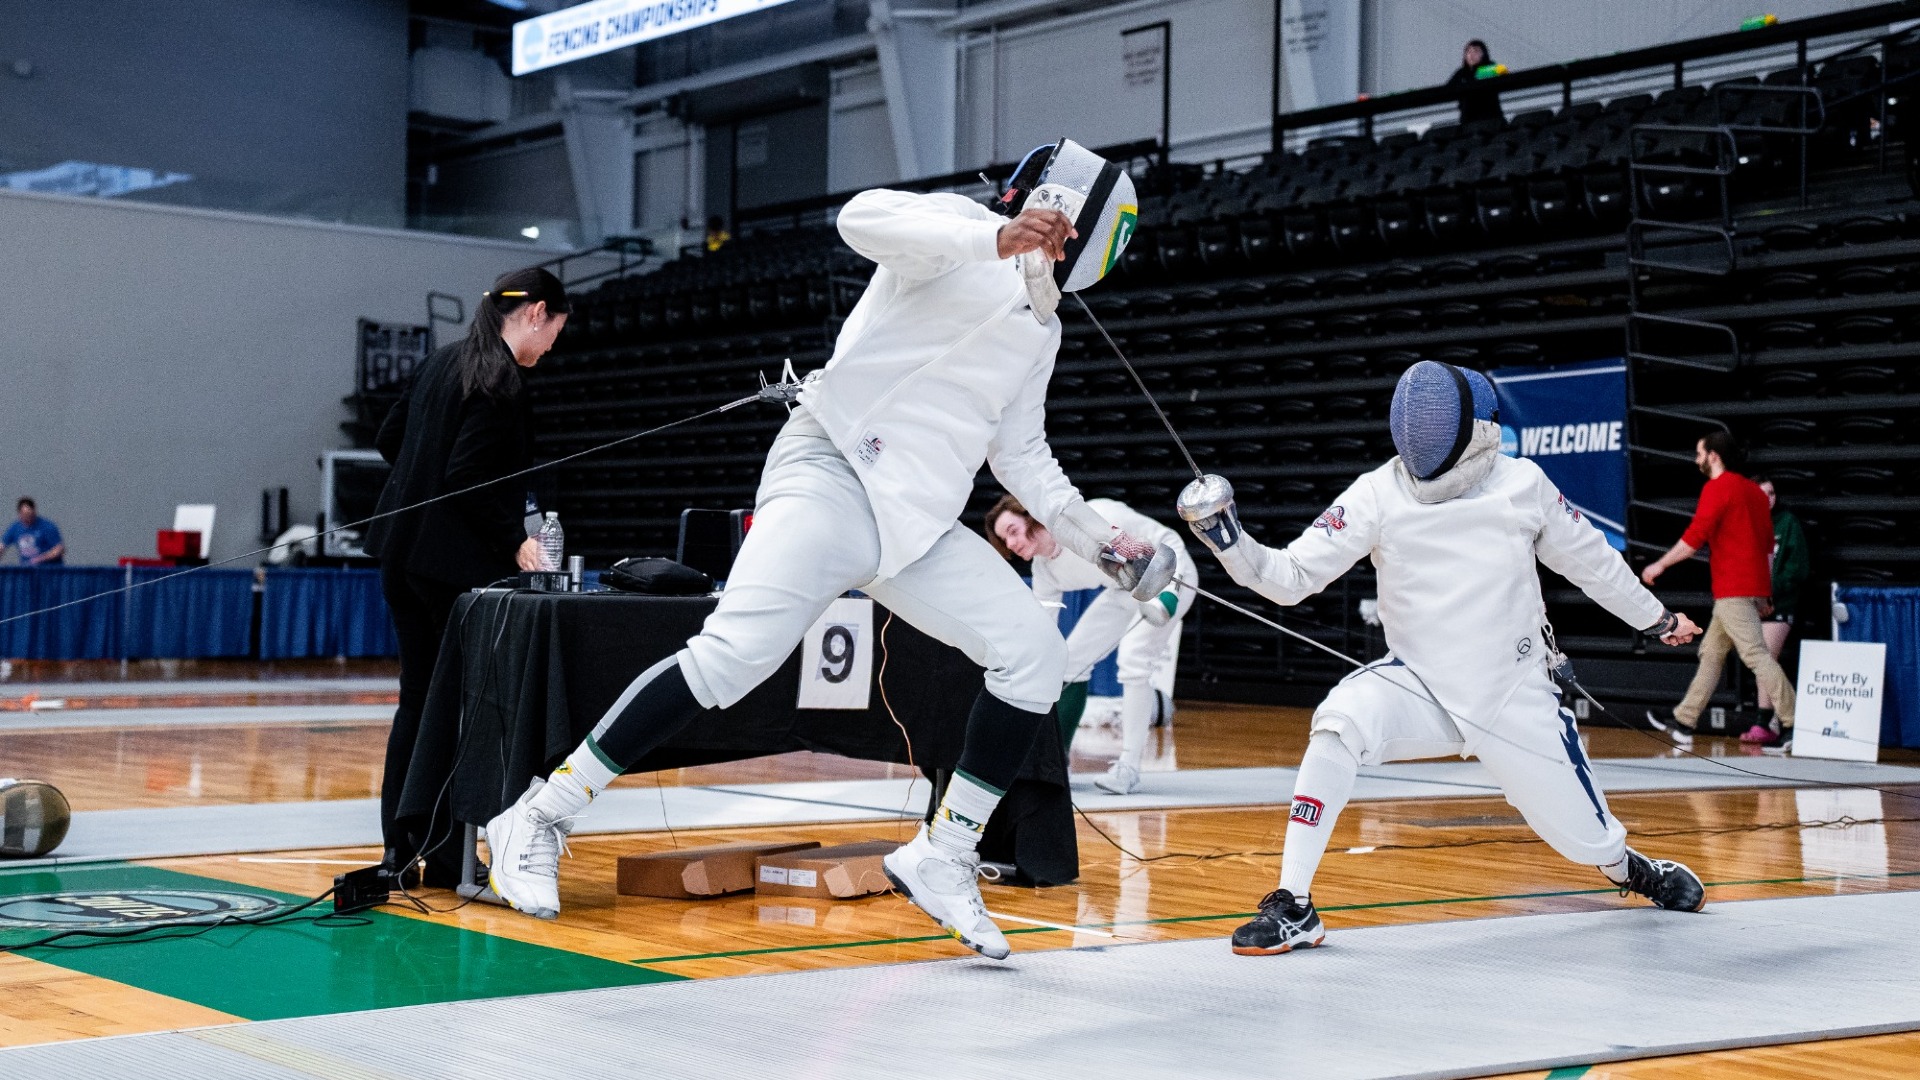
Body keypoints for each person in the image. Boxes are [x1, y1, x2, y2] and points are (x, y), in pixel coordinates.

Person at [483, 139, 1168, 961]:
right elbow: (859, 218)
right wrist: (994, 238)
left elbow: (1024, 460)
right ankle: (540, 812)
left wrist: (1105, 540)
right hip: (833, 469)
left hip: (914, 527)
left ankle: (944, 854)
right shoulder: (954, 227)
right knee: (733, 658)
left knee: (1029, 654)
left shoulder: (1041, 329)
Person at [1180, 361, 1707, 957]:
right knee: (1338, 723)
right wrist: (1229, 543)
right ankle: (1294, 905)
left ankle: (1631, 871)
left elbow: (1595, 566)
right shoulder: (1378, 491)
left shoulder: (1522, 484)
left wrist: (1656, 619)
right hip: (1420, 688)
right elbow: (1291, 576)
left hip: (1510, 696)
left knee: (1590, 842)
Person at [363, 267, 568, 885]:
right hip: (446, 568)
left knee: (417, 701)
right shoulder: (501, 378)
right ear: (534, 313)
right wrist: (516, 542)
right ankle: (447, 852)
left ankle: (401, 850)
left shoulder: (444, 360)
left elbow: (388, 436)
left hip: (399, 555)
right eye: (556, 328)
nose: (554, 343)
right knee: (452, 707)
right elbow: (466, 477)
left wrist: (418, 484)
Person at [984, 493, 1194, 794]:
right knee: (1070, 664)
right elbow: (1043, 632)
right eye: (1006, 541)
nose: (1012, 544)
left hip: (1170, 578)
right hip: (1124, 590)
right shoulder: (1045, 570)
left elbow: (1168, 539)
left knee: (1133, 661)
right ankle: (1057, 763)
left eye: (1013, 531)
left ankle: (1129, 768)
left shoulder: (1096, 516)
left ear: (1031, 515)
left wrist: (1169, 591)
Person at [1641, 431, 1795, 749]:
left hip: (1732, 589)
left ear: (1713, 456)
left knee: (1756, 655)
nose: (1697, 460)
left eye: (1699, 454)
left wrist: (1660, 565)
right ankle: (1684, 721)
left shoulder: (1717, 488)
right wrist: (1764, 595)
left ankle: (1795, 722)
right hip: (1745, 590)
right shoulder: (1753, 493)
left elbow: (1694, 538)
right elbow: (1768, 548)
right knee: (1711, 654)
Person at [1753, 475, 1810, 743]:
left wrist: (1770, 593)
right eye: (1761, 493)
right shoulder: (1746, 523)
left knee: (1765, 659)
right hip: (1752, 604)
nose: (1768, 499)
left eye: (1772, 493)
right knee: (1761, 661)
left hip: (1780, 602)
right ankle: (1767, 722)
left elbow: (1797, 568)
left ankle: (1782, 721)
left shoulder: (1787, 523)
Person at [1448, 39, 1504, 126]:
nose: (1471, 55)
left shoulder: (1492, 66)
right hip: (1468, 120)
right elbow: (1447, 90)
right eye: (1468, 51)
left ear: (1484, 54)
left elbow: (1503, 71)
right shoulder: (1461, 73)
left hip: (1490, 118)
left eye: (1476, 51)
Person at [3, 499, 64, 566]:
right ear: (19, 514)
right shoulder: (15, 528)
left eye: (30, 515)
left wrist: (41, 558)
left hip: (48, 570)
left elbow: (59, 549)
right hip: (28, 571)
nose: (27, 518)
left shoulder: (47, 527)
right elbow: (2, 546)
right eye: (25, 515)